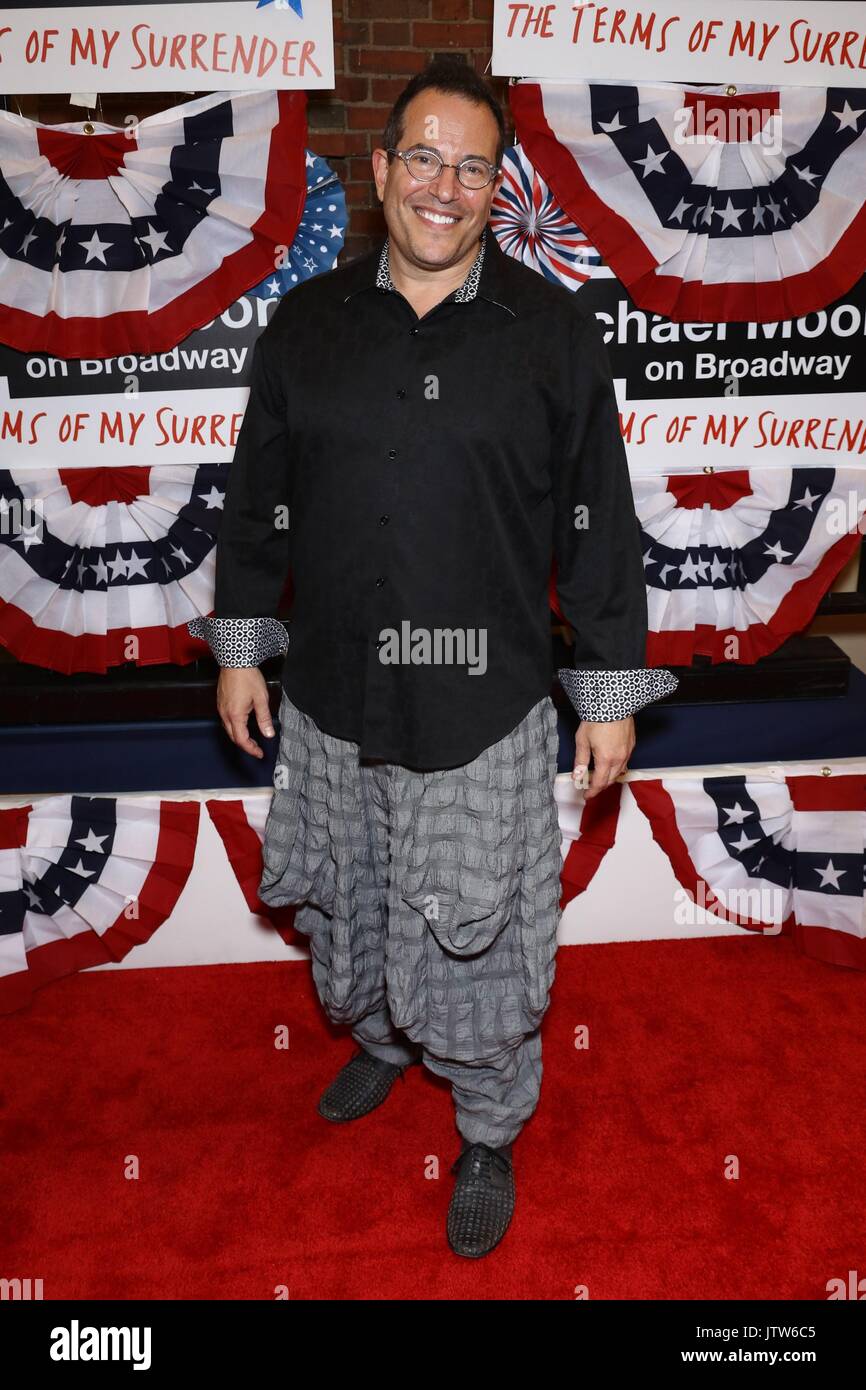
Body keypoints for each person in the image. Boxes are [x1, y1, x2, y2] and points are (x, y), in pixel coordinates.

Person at [188, 58, 678, 1259]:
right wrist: (243, 649)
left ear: (496, 183)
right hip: (334, 702)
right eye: (423, 157)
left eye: (471, 165)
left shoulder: (552, 333)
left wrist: (607, 690)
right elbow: (255, 505)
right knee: (349, 912)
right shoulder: (308, 326)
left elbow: (598, 522)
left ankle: (486, 1126)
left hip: (483, 705)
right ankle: (381, 1043)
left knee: (477, 935)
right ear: (381, 167)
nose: (444, 187)